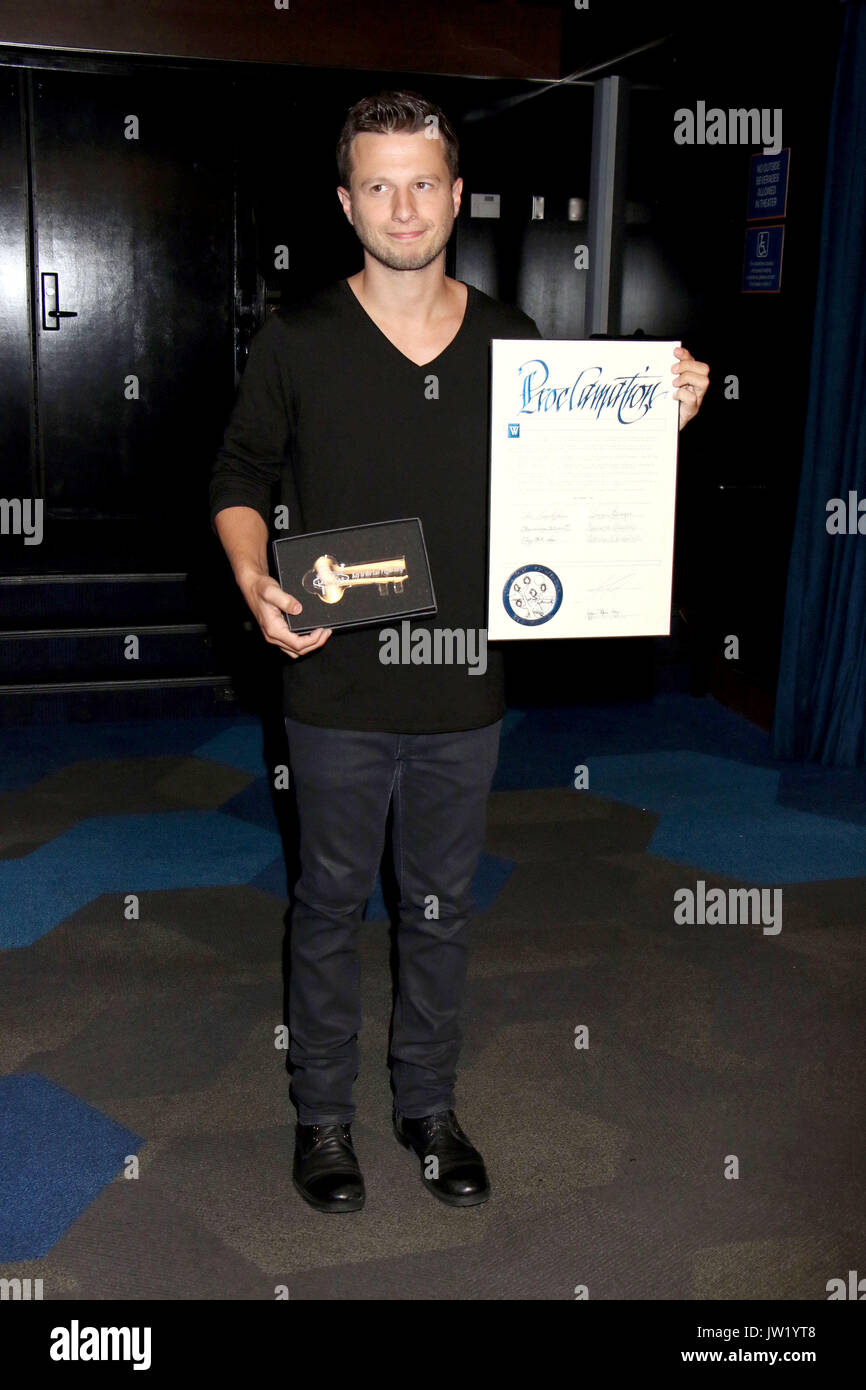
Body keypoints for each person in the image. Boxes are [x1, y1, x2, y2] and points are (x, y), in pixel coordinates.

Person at [209, 89, 710, 1215]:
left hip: (463, 685)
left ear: (457, 196)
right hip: (331, 679)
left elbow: (575, 472)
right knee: (331, 902)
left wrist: (650, 419)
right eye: (377, 183)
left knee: (439, 906)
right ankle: (323, 1119)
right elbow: (239, 476)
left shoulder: (510, 343)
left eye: (422, 181)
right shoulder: (298, 339)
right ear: (345, 203)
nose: (402, 204)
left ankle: (426, 1108)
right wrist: (253, 576)